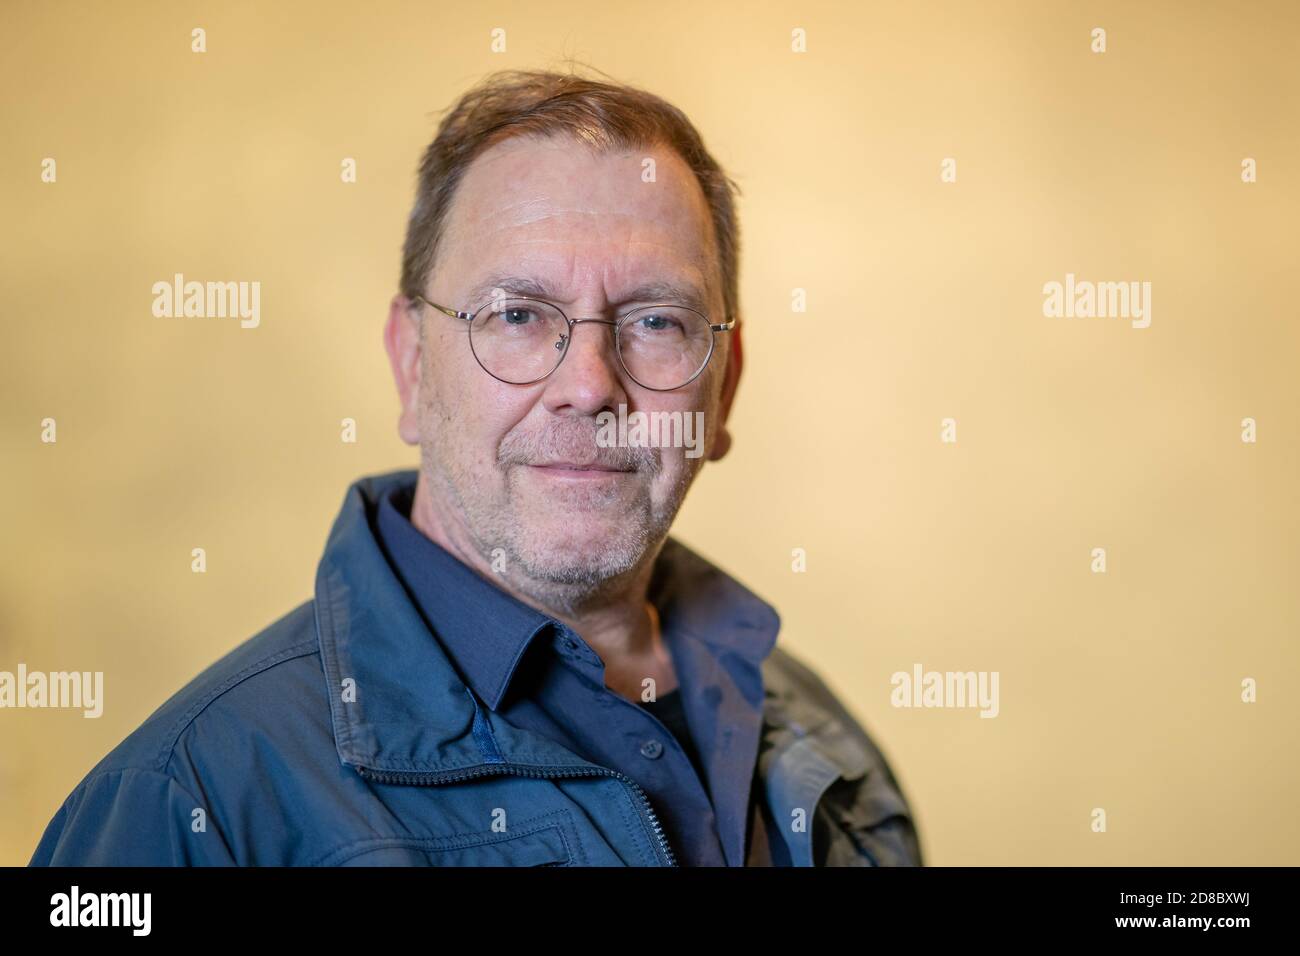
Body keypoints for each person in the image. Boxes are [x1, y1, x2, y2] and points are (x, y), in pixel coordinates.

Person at [30, 69, 922, 867]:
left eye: (655, 321)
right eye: (518, 315)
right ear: (413, 366)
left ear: (722, 392)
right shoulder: (193, 805)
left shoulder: (814, 733)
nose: (587, 387)